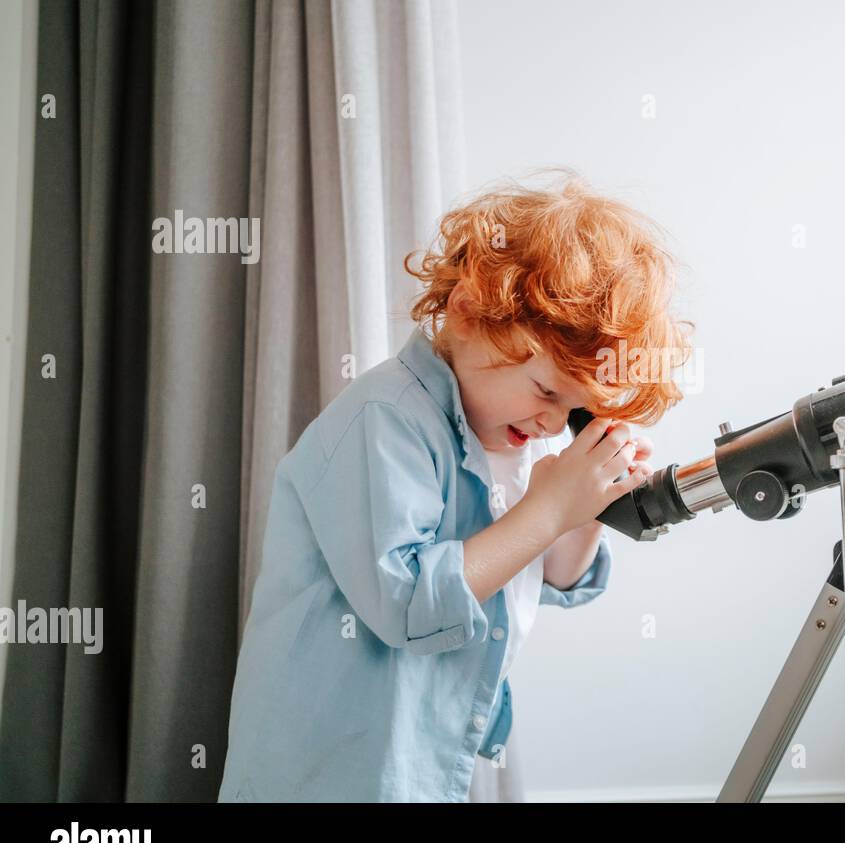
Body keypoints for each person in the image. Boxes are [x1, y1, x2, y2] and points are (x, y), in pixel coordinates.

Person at [218, 169, 694, 801]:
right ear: (469, 315)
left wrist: (585, 503)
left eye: (573, 407)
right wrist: (547, 510)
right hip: (327, 770)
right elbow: (409, 603)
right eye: (547, 390)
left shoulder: (513, 428)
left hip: (425, 762)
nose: (554, 421)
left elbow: (551, 573)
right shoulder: (386, 418)